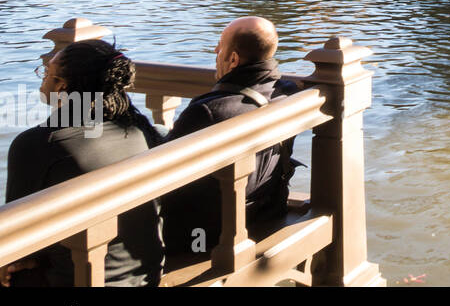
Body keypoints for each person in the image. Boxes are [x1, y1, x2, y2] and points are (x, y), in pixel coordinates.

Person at [3, 40, 163, 287]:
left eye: (46, 73)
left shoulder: (39, 144)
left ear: (62, 86)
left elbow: (16, 239)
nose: (42, 78)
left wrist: (28, 261)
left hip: (81, 279)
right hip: (145, 274)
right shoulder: (140, 129)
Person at [159, 17, 299, 272]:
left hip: (209, 236)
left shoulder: (210, 111)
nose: (215, 51)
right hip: (265, 210)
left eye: (220, 46)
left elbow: (159, 175)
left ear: (233, 59)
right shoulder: (287, 92)